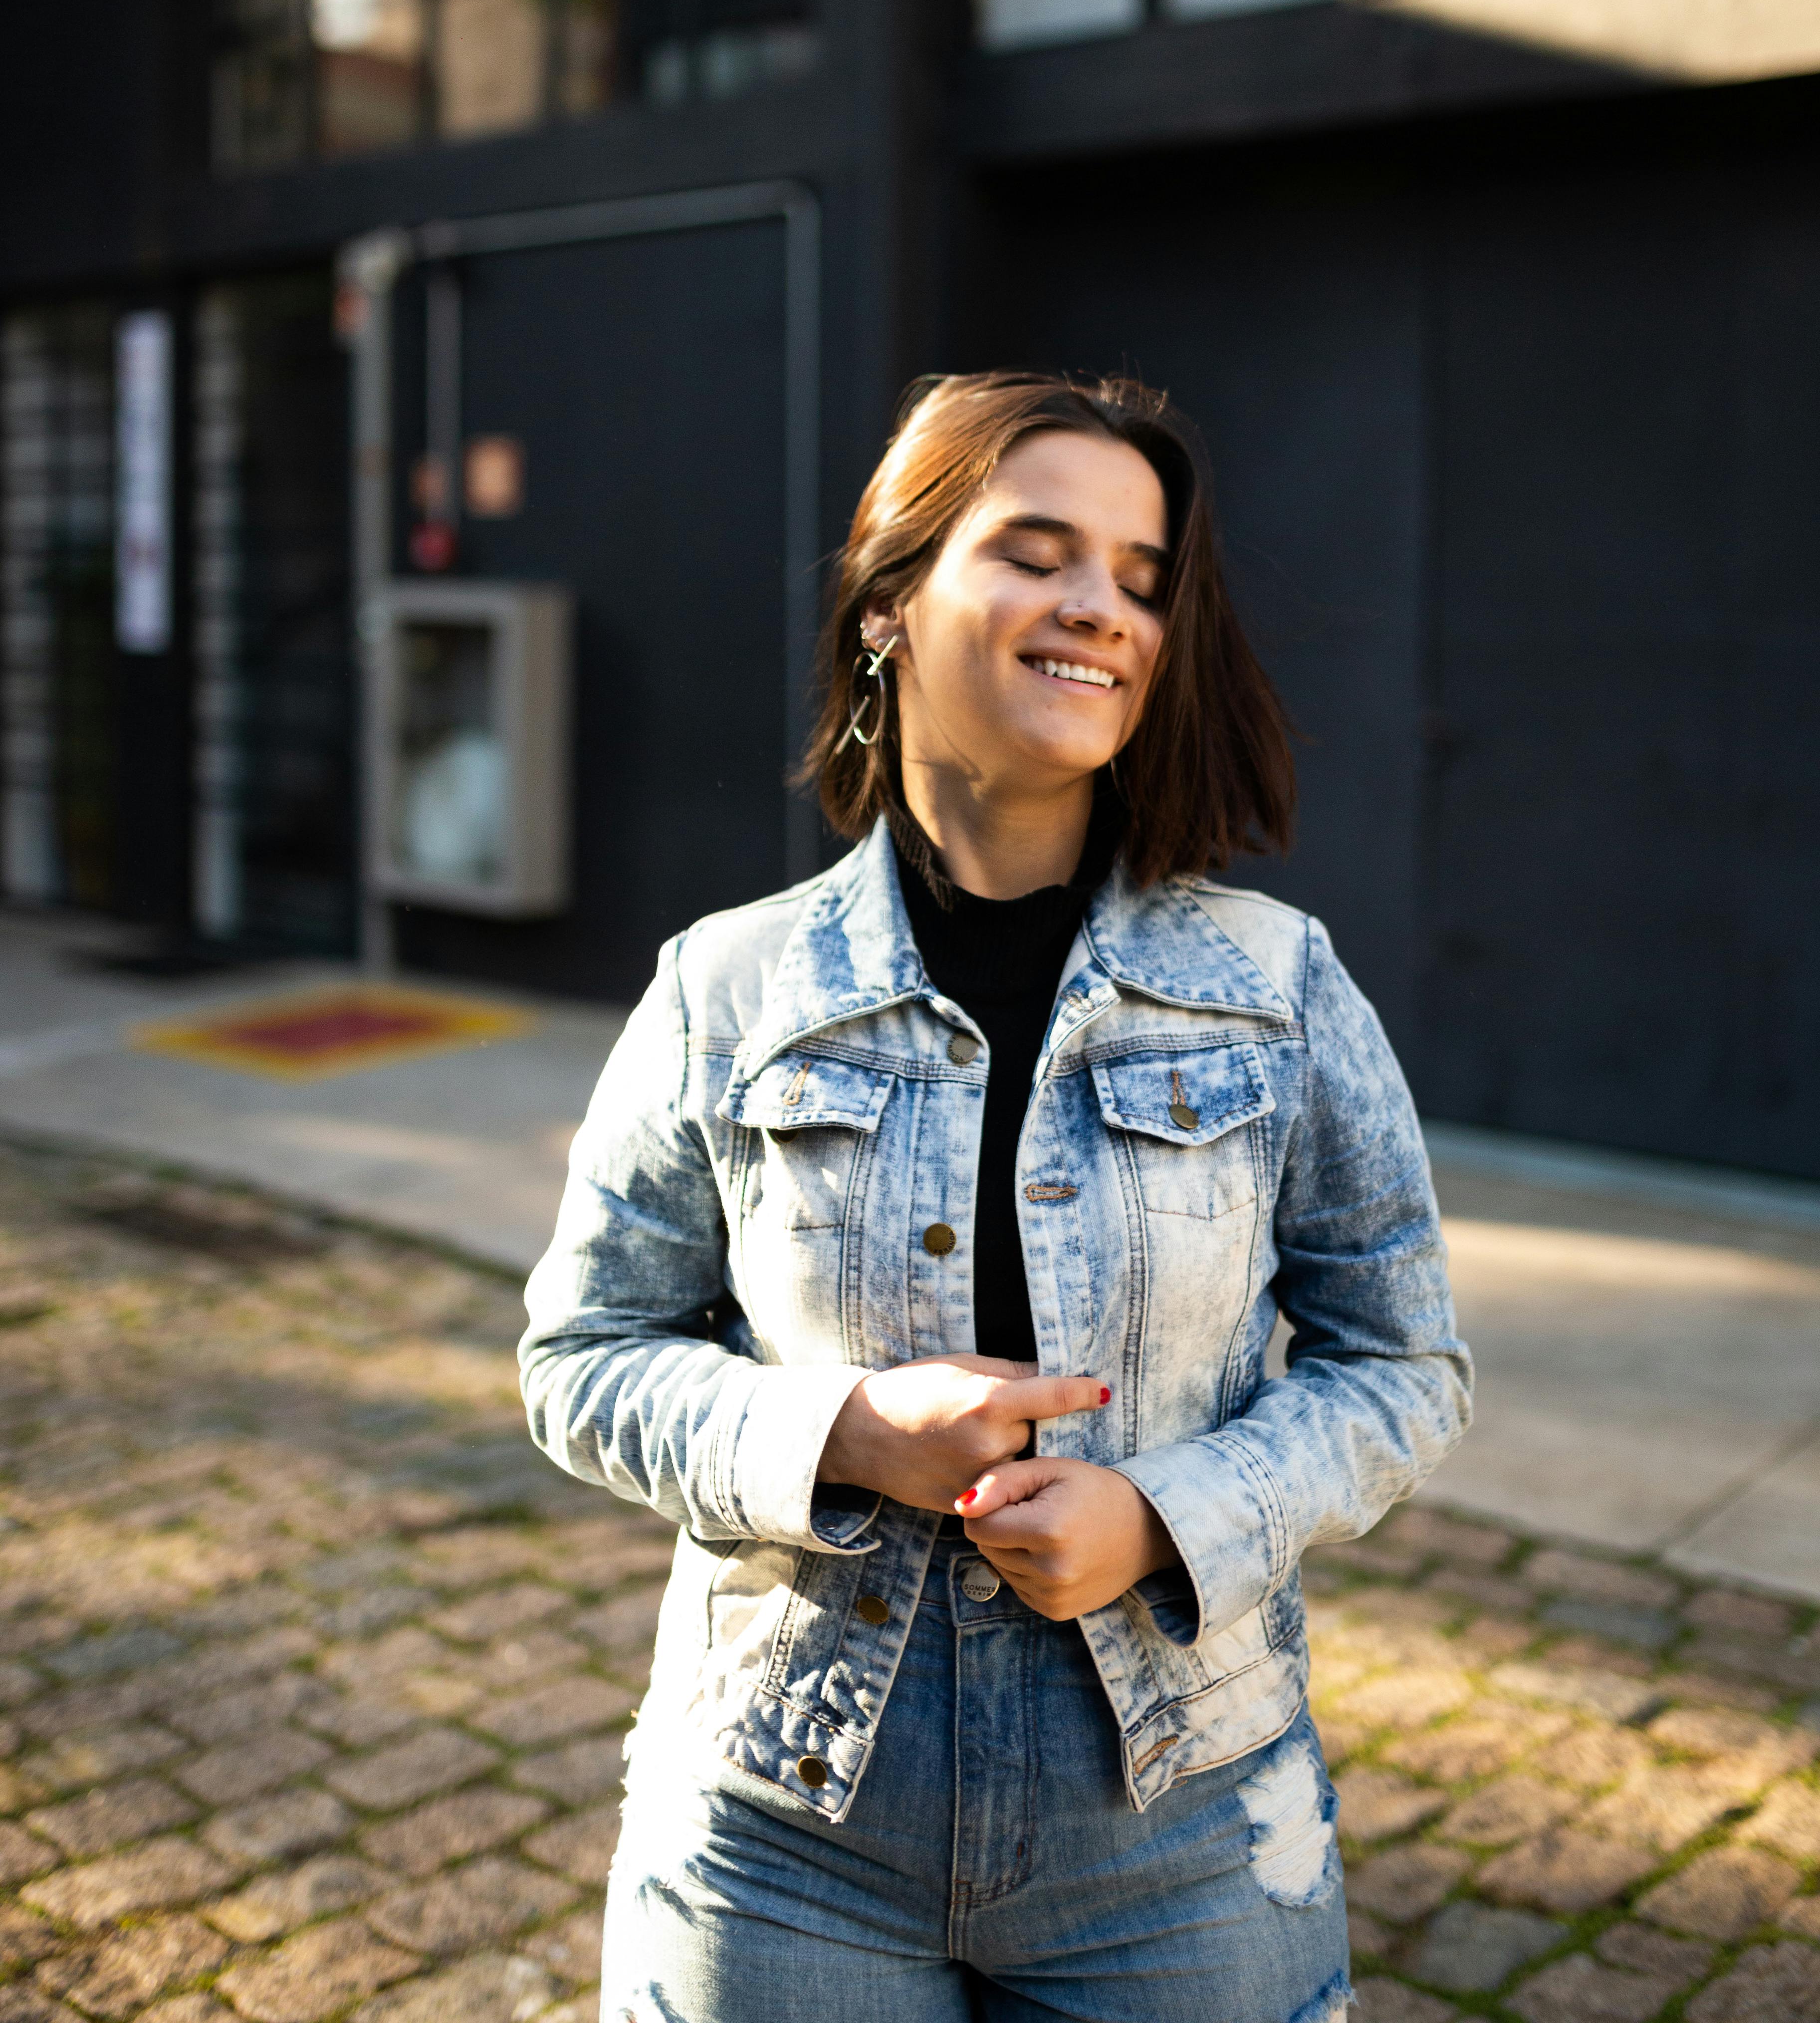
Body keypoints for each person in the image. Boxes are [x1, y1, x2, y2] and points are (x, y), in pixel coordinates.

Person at [520, 370, 1471, 2023]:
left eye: (1140, 576)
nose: (1098, 606)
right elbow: (582, 1357)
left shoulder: (1278, 985)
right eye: (1037, 553)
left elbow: (1406, 1369)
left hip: (1183, 1828)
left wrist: (1164, 1519)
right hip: (782, 1823)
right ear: (893, 603)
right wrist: (837, 1436)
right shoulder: (725, 989)